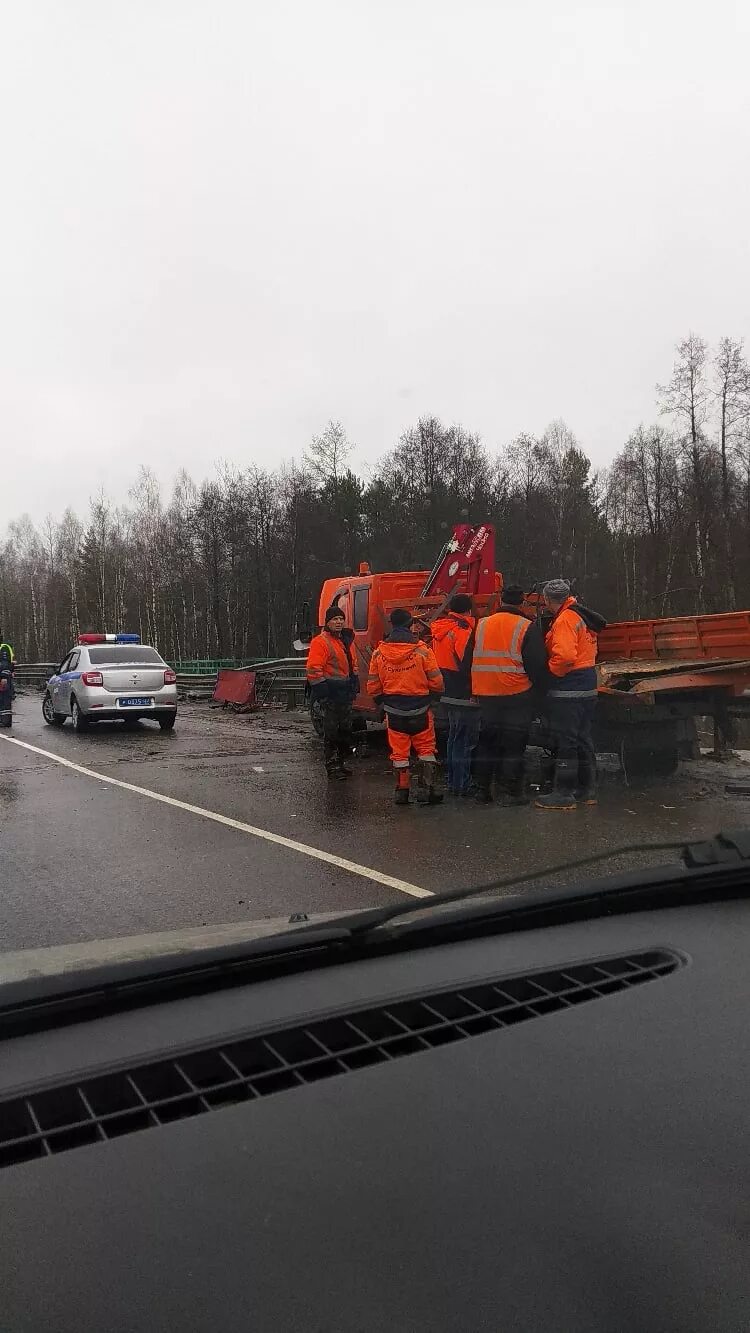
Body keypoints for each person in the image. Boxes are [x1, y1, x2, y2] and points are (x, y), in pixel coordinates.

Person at [471, 586, 547, 804]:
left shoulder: (481, 625)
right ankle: (509, 792)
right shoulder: (527, 627)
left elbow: (468, 658)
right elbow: (536, 664)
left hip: (486, 694)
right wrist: (540, 693)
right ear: (522, 603)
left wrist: (472, 688)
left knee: (487, 742)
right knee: (513, 744)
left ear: (500, 602)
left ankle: (482, 789)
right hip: (516, 694)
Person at [367, 609, 444, 806]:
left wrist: (382, 703)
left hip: (394, 711)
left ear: (391, 625)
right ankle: (428, 789)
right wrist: (433, 698)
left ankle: (402, 791)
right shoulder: (423, 650)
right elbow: (436, 682)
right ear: (410, 625)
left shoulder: (379, 653)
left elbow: (373, 686)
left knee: (400, 752)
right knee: (426, 749)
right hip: (420, 708)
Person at [534, 579, 600, 810]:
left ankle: (563, 793)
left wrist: (549, 676)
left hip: (569, 688)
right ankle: (587, 790)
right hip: (587, 684)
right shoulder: (581, 615)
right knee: (582, 737)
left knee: (567, 740)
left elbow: (564, 657)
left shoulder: (565, 620)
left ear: (548, 599)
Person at [429, 594, 478, 796]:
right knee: (463, 739)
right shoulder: (462, 630)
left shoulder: (440, 629)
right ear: (468, 610)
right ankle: (461, 784)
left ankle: (452, 780)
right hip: (461, 690)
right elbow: (467, 662)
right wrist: (474, 689)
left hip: (445, 688)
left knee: (453, 736)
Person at [305, 605, 359, 780]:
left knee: (345, 730)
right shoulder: (320, 642)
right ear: (327, 622)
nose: (339, 622)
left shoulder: (345, 640)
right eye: (335, 619)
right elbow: (314, 668)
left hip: (344, 690)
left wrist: (354, 681)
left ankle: (341, 763)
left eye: (341, 619)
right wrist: (323, 691)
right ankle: (332, 766)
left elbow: (352, 663)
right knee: (331, 732)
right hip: (330, 691)